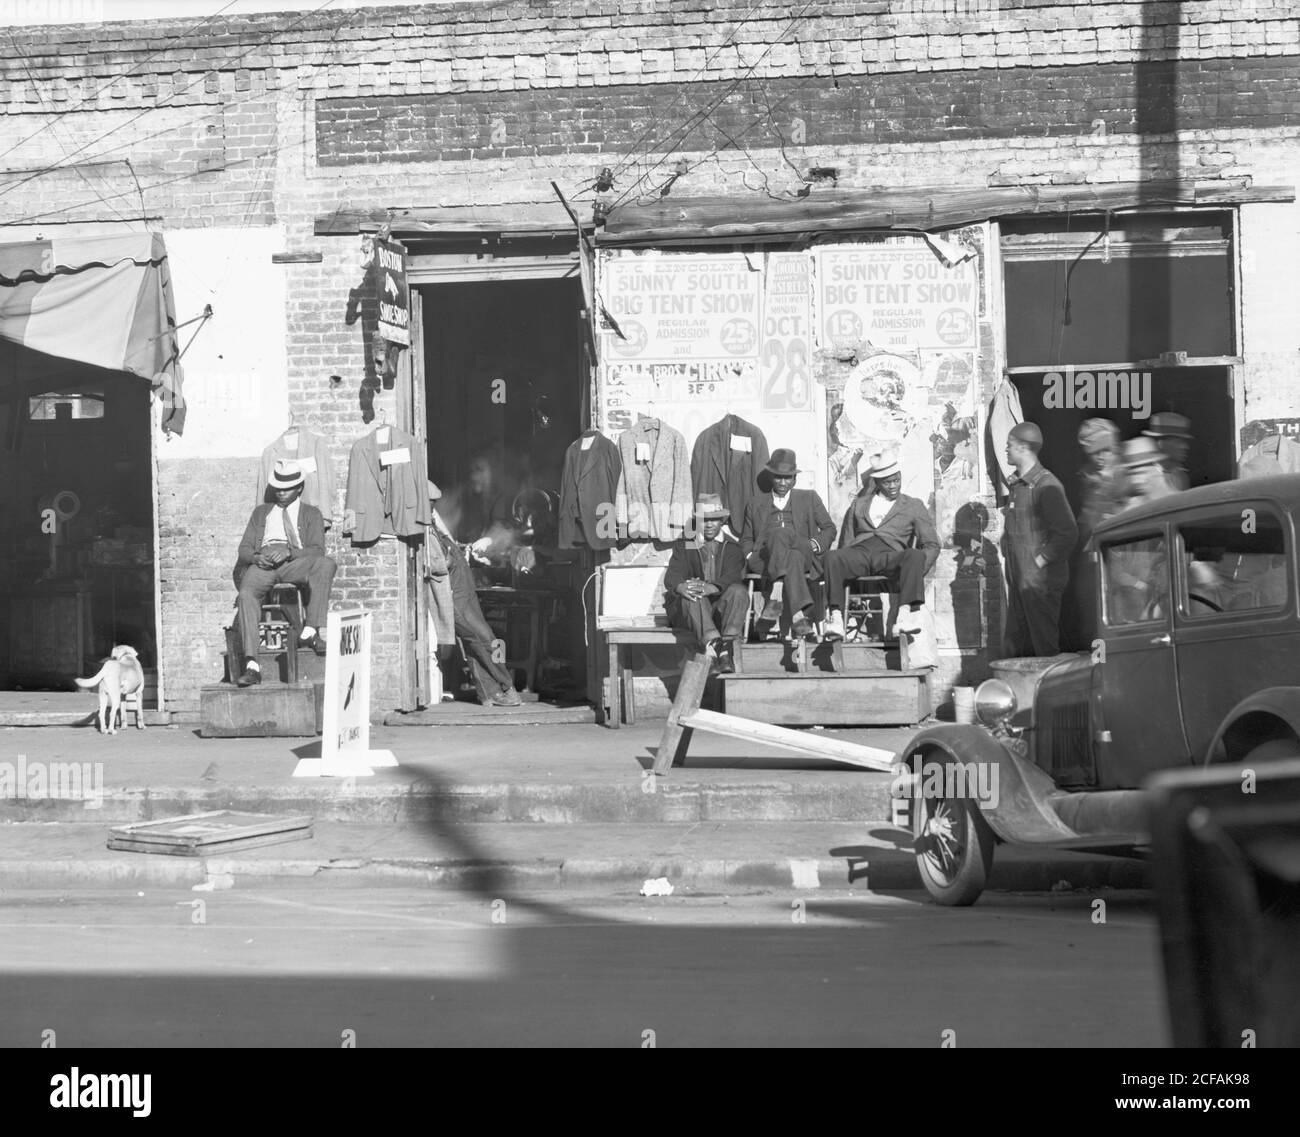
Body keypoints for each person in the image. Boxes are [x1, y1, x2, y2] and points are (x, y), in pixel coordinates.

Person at [233, 459, 337, 687]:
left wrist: (289, 552)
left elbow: (317, 550)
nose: (281, 493)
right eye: (278, 488)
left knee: (325, 564)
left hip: (293, 560)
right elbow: (244, 548)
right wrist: (256, 557)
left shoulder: (311, 513)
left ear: (299, 488)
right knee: (246, 595)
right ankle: (252, 665)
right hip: (264, 562)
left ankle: (310, 631)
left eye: (287, 488)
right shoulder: (261, 513)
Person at [821, 454, 940, 642]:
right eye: (887, 482)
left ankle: (905, 614)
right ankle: (835, 616)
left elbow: (932, 544)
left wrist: (915, 573)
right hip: (860, 552)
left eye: (896, 480)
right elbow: (847, 539)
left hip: (891, 554)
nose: (893, 486)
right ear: (877, 482)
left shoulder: (912, 505)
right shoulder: (859, 504)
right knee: (832, 557)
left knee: (915, 555)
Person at [428, 481, 523, 708]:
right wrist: (449, 559)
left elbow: (450, 553)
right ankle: (506, 687)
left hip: (465, 590)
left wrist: (465, 552)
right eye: (430, 503)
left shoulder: (435, 526)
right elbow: (435, 565)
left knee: (477, 642)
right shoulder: (425, 530)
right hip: (454, 595)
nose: (433, 508)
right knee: (485, 640)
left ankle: (488, 694)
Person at [739, 448, 834, 641]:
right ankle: (799, 616)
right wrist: (749, 555)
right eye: (778, 477)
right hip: (765, 558)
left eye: (788, 478)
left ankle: (777, 591)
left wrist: (815, 544)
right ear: (771, 477)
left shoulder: (809, 498)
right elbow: (747, 539)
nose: (783, 483)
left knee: (782, 535)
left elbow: (829, 528)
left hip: (803, 550)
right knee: (790, 554)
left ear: (794, 478)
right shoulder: (755, 503)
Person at [1001, 421, 1079, 657]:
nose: (1005, 450)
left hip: (1040, 582)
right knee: (1015, 644)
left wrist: (1039, 561)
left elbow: (1067, 532)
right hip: (1020, 580)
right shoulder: (1017, 486)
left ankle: (1049, 693)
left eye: (1009, 445)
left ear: (1024, 447)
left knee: (1043, 645)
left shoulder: (1046, 485)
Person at [663, 494, 749, 674]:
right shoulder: (686, 543)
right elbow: (672, 576)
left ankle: (726, 642)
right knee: (692, 593)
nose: (709, 525)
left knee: (738, 592)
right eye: (704, 520)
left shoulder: (731, 546)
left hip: (718, 609)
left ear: (722, 520)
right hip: (691, 611)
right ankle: (718, 648)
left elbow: (733, 575)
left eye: (714, 520)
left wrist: (713, 587)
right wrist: (681, 586)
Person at [1069, 418, 1129, 647]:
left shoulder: (1127, 477)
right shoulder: (1084, 478)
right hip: (1092, 562)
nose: (1103, 457)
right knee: (1093, 621)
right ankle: (1097, 673)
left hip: (1123, 562)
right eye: (1096, 453)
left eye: (1107, 450)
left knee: (1121, 619)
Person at [1142, 412, 1193, 491]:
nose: (1185, 447)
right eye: (1179, 441)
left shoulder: (1181, 476)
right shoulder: (1143, 478)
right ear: (1160, 443)